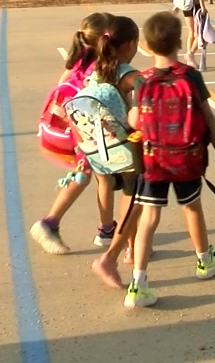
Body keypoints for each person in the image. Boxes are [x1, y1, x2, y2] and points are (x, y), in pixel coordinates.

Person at [121, 13, 215, 307]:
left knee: (149, 218)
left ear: (146, 46)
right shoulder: (191, 76)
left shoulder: (142, 81)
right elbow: (207, 118)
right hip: (187, 159)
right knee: (192, 209)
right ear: (179, 42)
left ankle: (138, 283)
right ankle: (204, 260)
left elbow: (135, 120)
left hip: (153, 161)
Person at [30, 13, 117, 255]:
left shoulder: (79, 60)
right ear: (105, 38)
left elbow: (61, 86)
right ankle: (51, 222)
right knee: (88, 175)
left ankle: (106, 228)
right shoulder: (98, 66)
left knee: (98, 176)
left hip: (68, 126)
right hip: (81, 130)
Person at [85, 16, 146, 287]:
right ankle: (122, 253)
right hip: (127, 147)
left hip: (101, 147)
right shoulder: (128, 74)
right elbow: (145, 94)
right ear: (132, 44)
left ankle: (129, 249)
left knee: (129, 199)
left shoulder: (97, 70)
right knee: (134, 202)